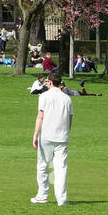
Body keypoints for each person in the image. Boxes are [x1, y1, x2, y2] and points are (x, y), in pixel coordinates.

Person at [31, 71, 72, 206]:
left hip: (47, 136)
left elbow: (40, 116)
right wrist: (66, 132)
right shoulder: (67, 98)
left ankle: (42, 195)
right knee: (61, 168)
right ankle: (62, 199)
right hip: (62, 137)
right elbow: (70, 119)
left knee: (42, 166)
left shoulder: (44, 96)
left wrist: (35, 135)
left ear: (49, 82)